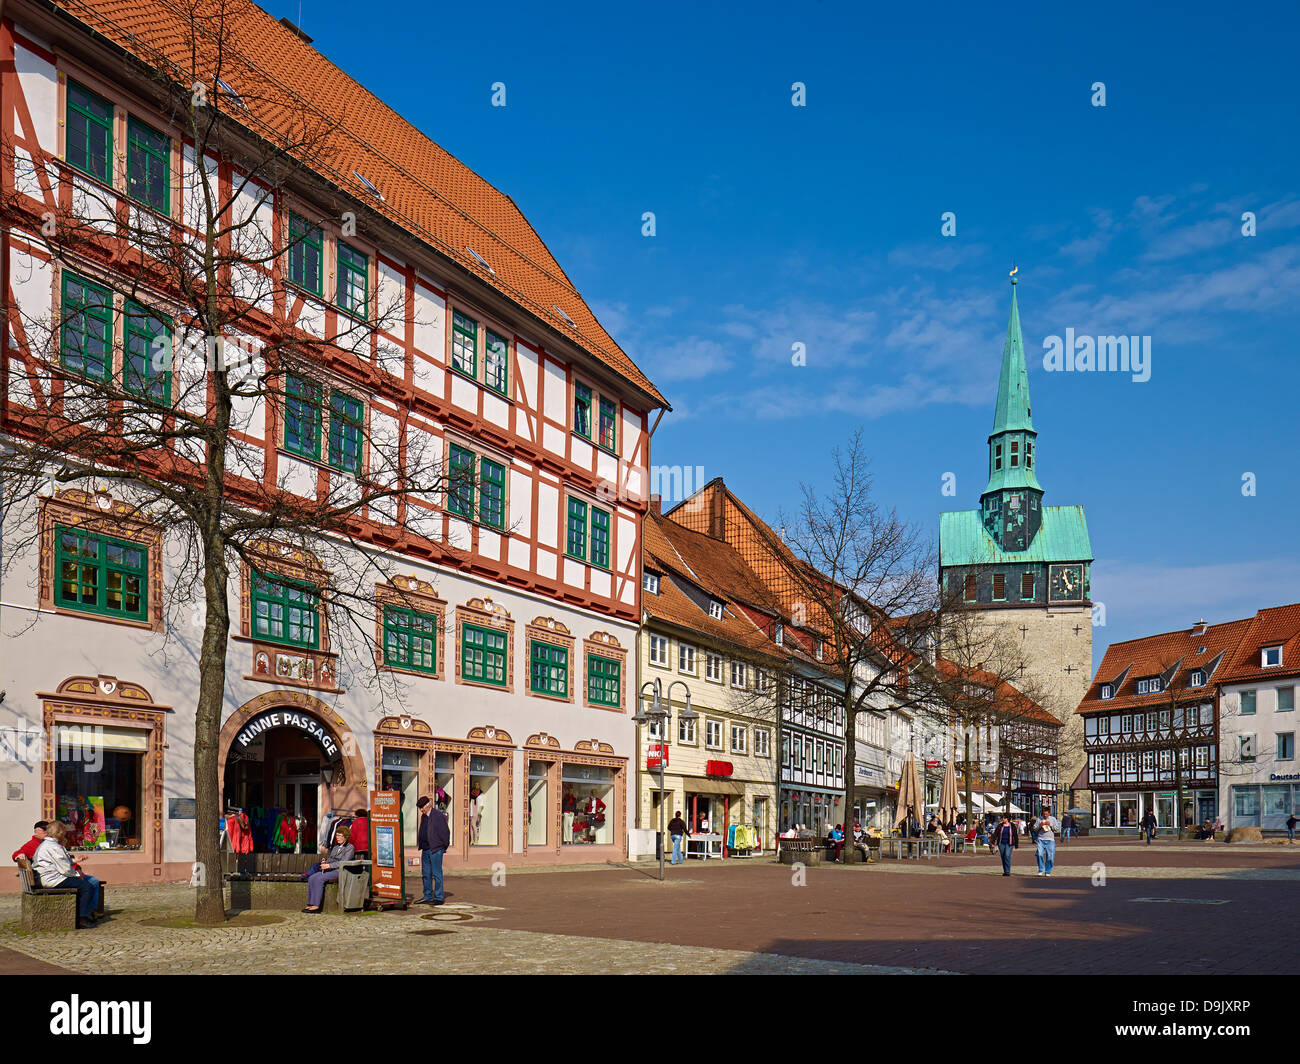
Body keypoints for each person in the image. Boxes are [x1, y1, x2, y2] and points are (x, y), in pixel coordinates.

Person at [31, 822, 100, 928]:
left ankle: (84, 914)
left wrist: (73, 860)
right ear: (59, 833)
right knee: (87, 887)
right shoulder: (54, 847)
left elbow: (61, 862)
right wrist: (77, 875)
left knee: (85, 884)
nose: (65, 835)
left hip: (47, 877)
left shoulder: (47, 844)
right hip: (53, 880)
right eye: (64, 832)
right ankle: (82, 918)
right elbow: (65, 869)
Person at [302, 826, 354, 913]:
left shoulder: (350, 847)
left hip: (341, 871)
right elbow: (331, 859)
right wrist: (325, 863)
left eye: (340, 835)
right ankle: (311, 903)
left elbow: (344, 862)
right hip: (330, 869)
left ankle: (316, 906)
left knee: (319, 879)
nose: (337, 837)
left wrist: (329, 865)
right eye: (337, 835)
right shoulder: (335, 847)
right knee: (312, 877)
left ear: (346, 836)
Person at [416, 795, 450, 905]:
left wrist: (443, 846)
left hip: (435, 849)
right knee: (426, 874)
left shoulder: (437, 815)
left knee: (436, 873)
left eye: (422, 807)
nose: (421, 810)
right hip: (425, 849)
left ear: (428, 805)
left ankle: (439, 897)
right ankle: (427, 896)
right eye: (419, 808)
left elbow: (445, 832)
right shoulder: (424, 816)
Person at [1035, 808, 1059, 876]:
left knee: (1050, 857)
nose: (1045, 815)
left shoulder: (1053, 819)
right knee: (1039, 854)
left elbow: (1057, 829)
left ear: (1049, 813)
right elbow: (1034, 828)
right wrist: (1040, 825)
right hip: (1041, 839)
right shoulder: (1039, 819)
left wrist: (1050, 825)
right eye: (1043, 814)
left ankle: (1048, 871)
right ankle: (1041, 870)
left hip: (1050, 840)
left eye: (1046, 814)